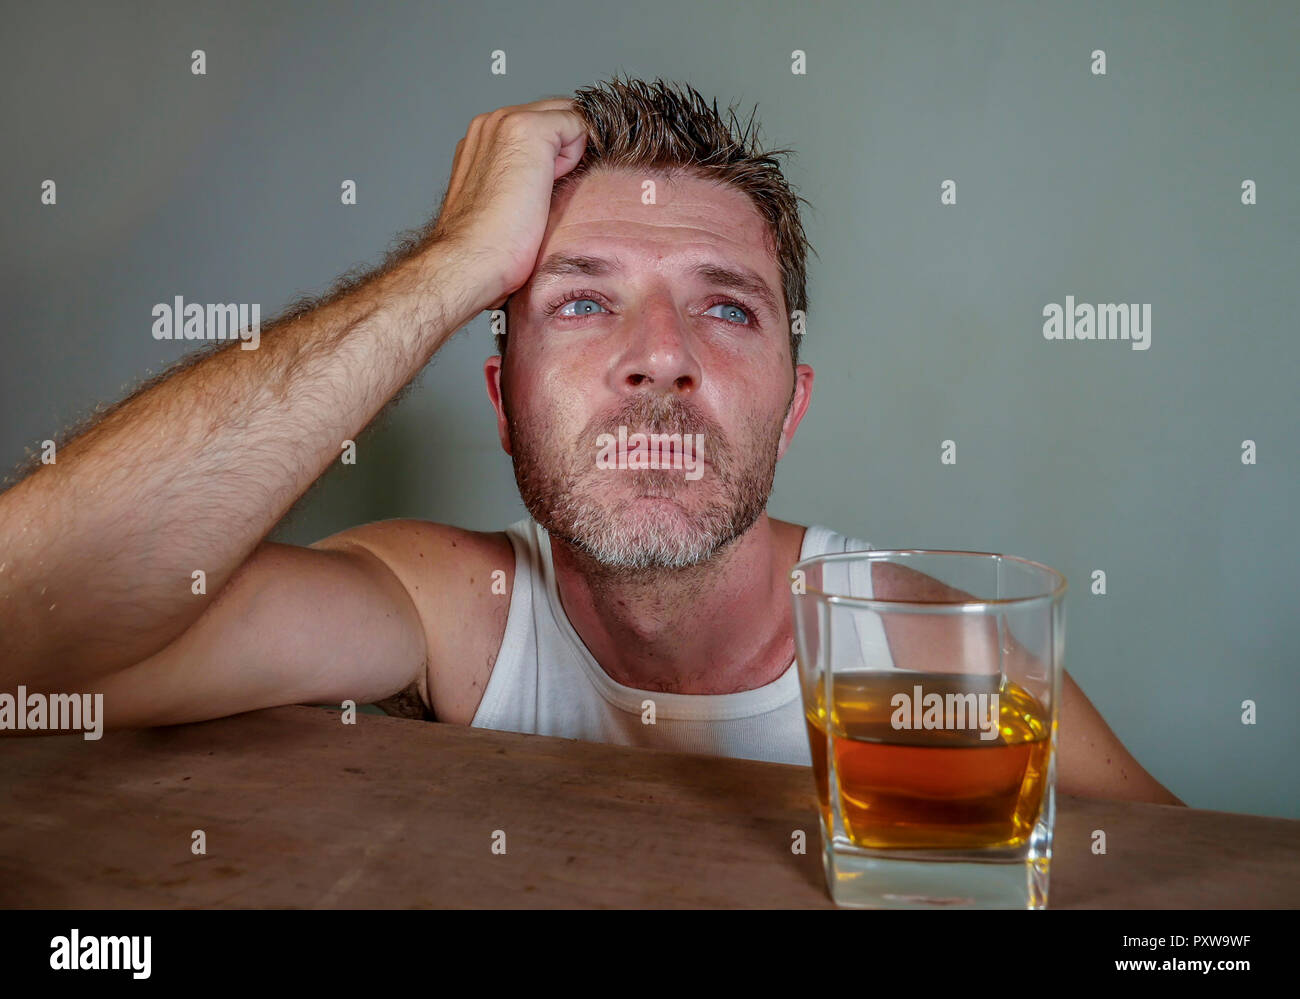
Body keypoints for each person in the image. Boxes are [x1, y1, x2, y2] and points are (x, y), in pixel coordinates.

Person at [0, 75, 1182, 806]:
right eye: (577, 299)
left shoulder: (918, 649)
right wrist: (451, 263)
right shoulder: (448, 611)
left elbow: (1206, 913)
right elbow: (23, 636)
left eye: (725, 305)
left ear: (792, 403)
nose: (659, 352)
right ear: (503, 397)